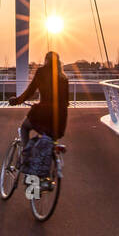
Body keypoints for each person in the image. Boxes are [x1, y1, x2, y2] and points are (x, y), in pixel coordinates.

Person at [8, 51, 70, 179]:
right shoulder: (64, 77)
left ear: (45, 60)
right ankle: (48, 175)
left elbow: (31, 90)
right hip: (60, 121)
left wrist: (17, 101)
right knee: (49, 141)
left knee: (24, 127)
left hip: (43, 115)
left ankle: (26, 157)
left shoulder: (42, 72)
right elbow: (66, 102)